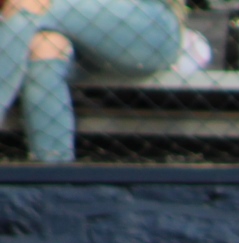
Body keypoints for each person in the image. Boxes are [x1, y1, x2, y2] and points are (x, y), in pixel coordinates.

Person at [0, 0, 183, 162]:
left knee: (27, 4)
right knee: (45, 46)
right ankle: (53, 170)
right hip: (81, 38)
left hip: (148, 24)